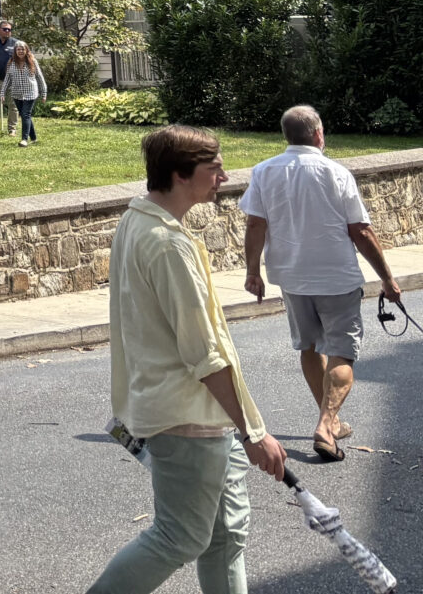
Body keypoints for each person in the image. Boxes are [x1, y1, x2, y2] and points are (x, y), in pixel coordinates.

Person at [89, 125, 285, 594]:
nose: (223, 176)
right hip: (186, 417)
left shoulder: (138, 221)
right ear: (180, 175)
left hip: (188, 413)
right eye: (213, 168)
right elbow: (204, 352)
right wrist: (253, 432)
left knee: (224, 536)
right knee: (180, 536)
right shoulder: (167, 244)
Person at [240, 105, 403, 463]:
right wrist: (387, 278)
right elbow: (360, 231)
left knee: (311, 347)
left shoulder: (264, 172)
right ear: (318, 134)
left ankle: (330, 419)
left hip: (292, 278)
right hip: (336, 278)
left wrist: (253, 271)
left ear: (287, 136)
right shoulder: (336, 172)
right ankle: (327, 424)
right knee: (342, 352)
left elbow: (255, 225)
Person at [1, 43, 44, 145]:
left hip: (30, 93)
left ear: (26, 50)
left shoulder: (32, 61)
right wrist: (2, 92)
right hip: (17, 94)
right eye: (18, 49)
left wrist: (44, 93)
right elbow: (7, 79)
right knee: (26, 116)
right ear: (15, 51)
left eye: (22, 49)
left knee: (25, 114)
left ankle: (24, 139)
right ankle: (33, 138)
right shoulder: (11, 62)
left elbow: (40, 77)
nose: (20, 51)